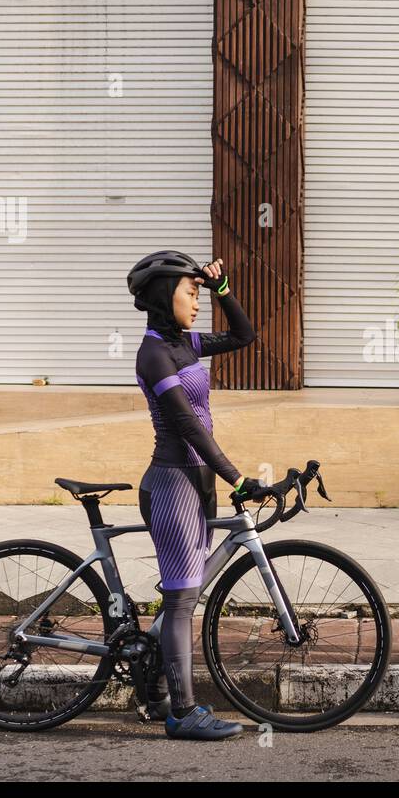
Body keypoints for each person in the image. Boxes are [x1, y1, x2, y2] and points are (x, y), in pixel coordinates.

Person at [127, 249, 270, 739]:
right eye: (190, 292)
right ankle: (183, 714)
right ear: (165, 295)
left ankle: (154, 687)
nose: (196, 300)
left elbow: (246, 337)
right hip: (172, 482)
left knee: (183, 594)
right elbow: (187, 424)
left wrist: (222, 288)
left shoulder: (186, 342)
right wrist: (238, 477)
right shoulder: (154, 354)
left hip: (198, 482)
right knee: (184, 598)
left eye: (197, 291)